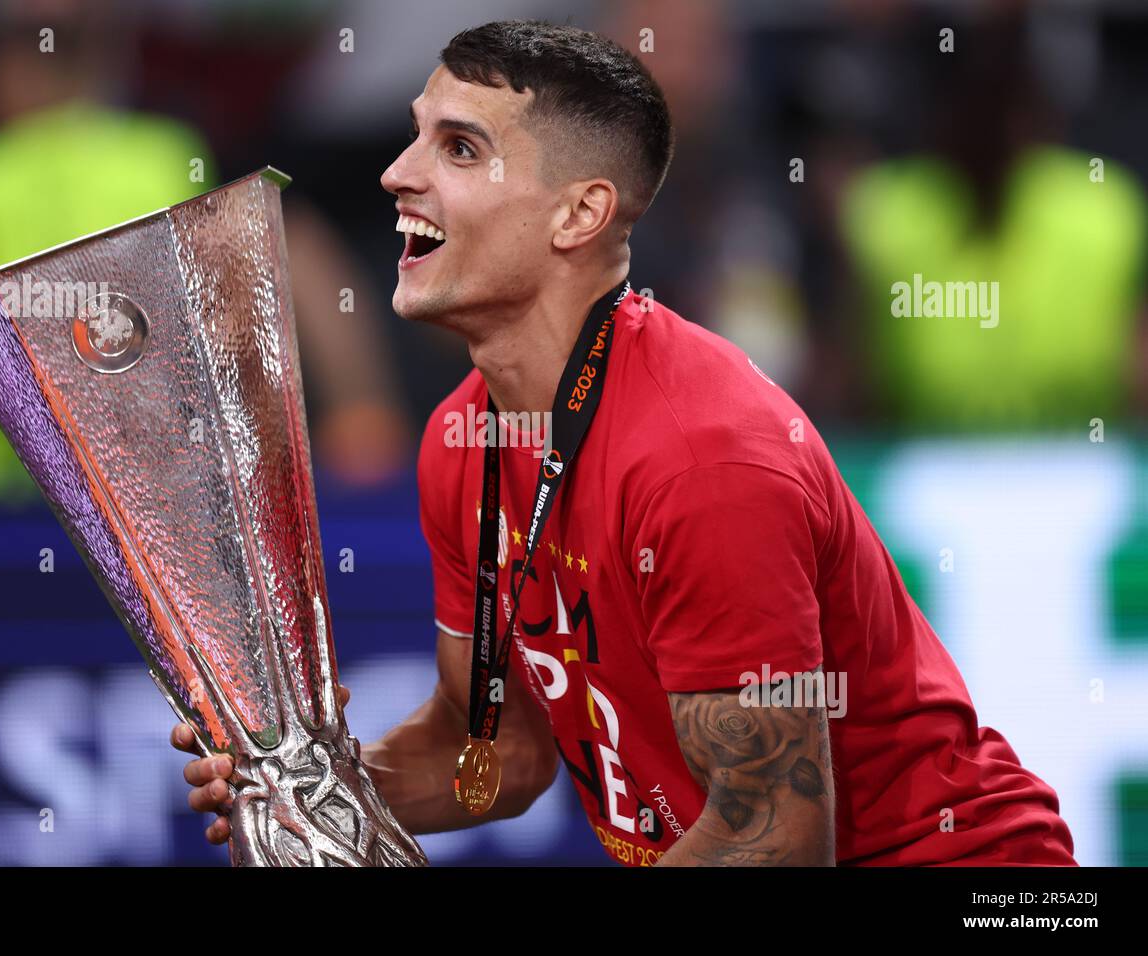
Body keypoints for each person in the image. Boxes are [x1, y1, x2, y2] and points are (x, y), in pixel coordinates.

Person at [174, 20, 1076, 866]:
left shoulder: (704, 458)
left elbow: (776, 831)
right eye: (417, 136)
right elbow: (495, 751)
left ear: (579, 216)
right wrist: (303, 784)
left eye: (458, 148)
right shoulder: (461, 437)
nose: (397, 174)